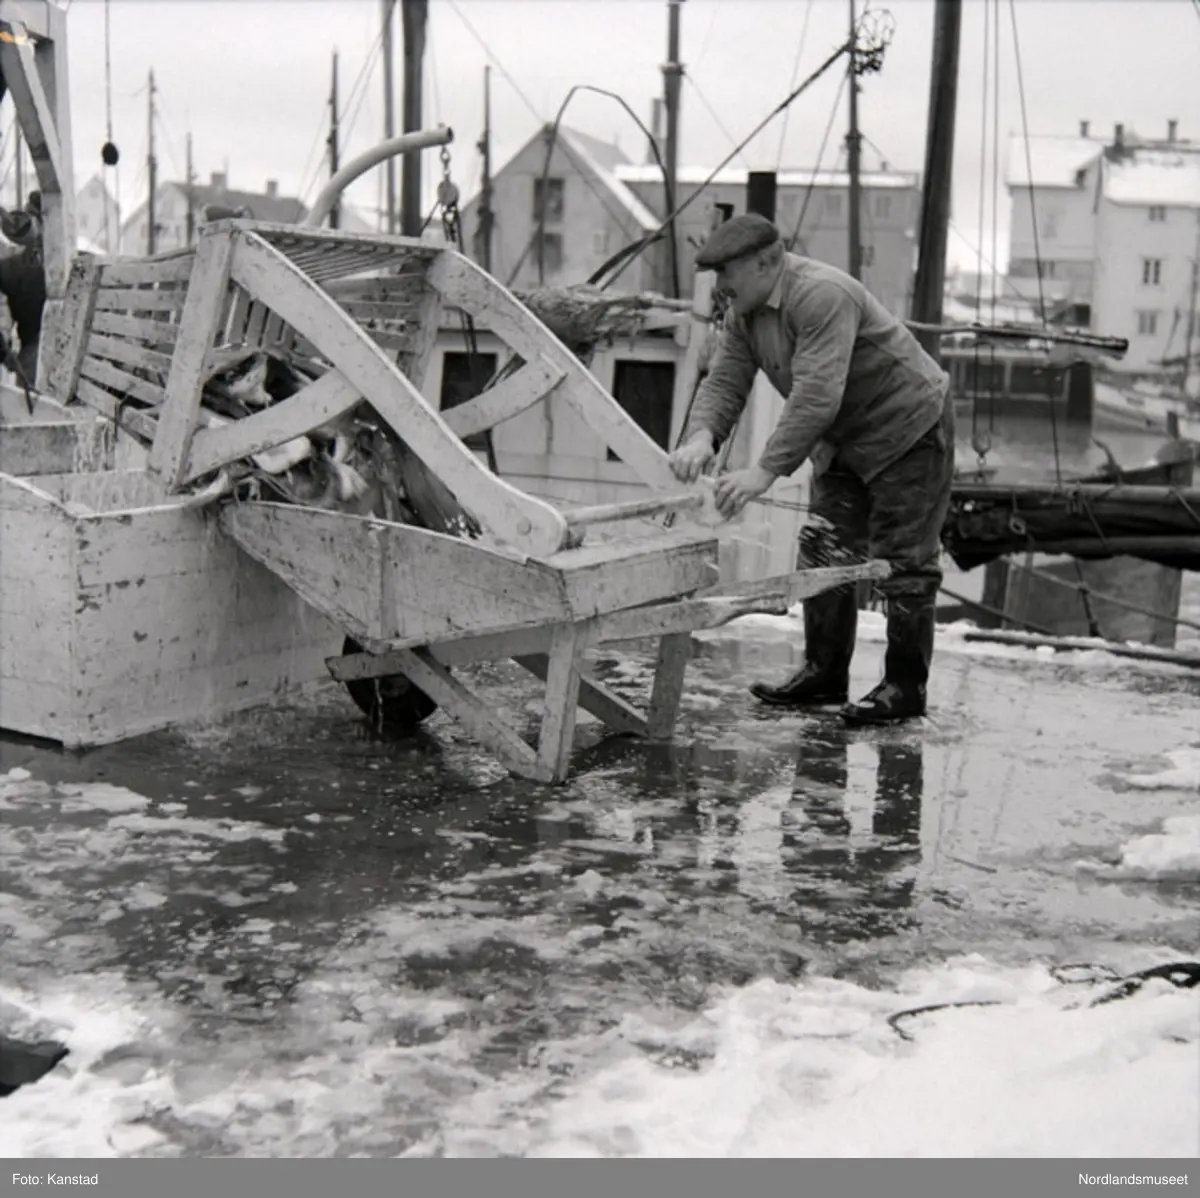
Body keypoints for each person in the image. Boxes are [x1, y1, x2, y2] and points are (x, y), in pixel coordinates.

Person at [668, 213, 955, 726]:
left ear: (768, 262)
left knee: (904, 560)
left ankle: (905, 689)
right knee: (824, 548)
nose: (721, 287)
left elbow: (817, 396)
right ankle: (825, 675)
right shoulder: (745, 310)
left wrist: (763, 473)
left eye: (727, 273)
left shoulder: (821, 295)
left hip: (908, 429)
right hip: (845, 440)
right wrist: (700, 437)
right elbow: (727, 379)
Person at [0, 195, 46, 386]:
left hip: (63, 352)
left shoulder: (73, 264)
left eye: (35, 215)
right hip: (30, 355)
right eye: (28, 214)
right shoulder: (10, 268)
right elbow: (3, 315)